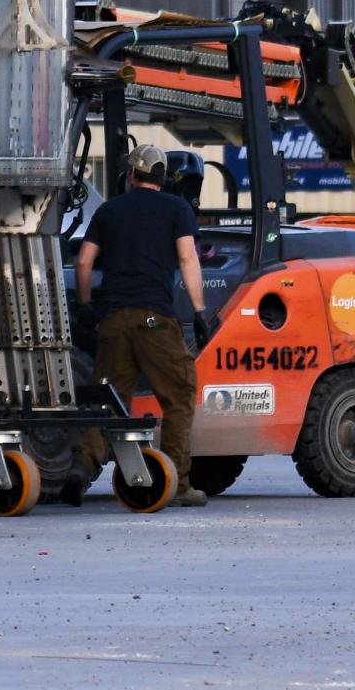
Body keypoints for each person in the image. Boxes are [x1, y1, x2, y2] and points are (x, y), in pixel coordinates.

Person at [74, 144, 211, 507]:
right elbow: (187, 257)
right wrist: (198, 313)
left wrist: (87, 306)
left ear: (131, 175)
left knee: (106, 402)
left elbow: (85, 262)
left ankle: (81, 469)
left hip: (113, 321)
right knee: (179, 394)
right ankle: (178, 484)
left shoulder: (109, 210)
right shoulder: (177, 209)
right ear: (162, 178)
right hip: (155, 321)